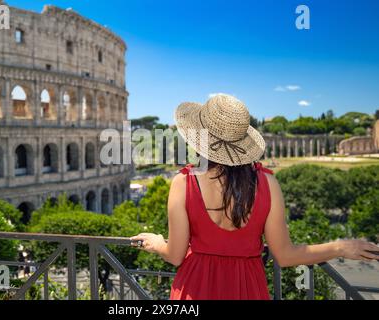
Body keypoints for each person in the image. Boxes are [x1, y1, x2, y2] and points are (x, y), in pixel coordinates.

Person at [130, 94, 379, 300]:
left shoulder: (182, 183)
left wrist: (155, 242)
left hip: (194, 289)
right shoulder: (268, 183)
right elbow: (286, 255)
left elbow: (174, 255)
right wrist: (340, 247)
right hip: (248, 288)